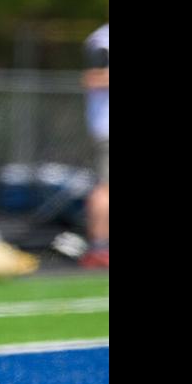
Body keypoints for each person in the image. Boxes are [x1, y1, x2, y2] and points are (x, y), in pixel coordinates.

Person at [80, 22, 109, 268]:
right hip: (107, 127)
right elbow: (93, 78)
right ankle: (99, 248)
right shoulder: (102, 40)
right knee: (106, 188)